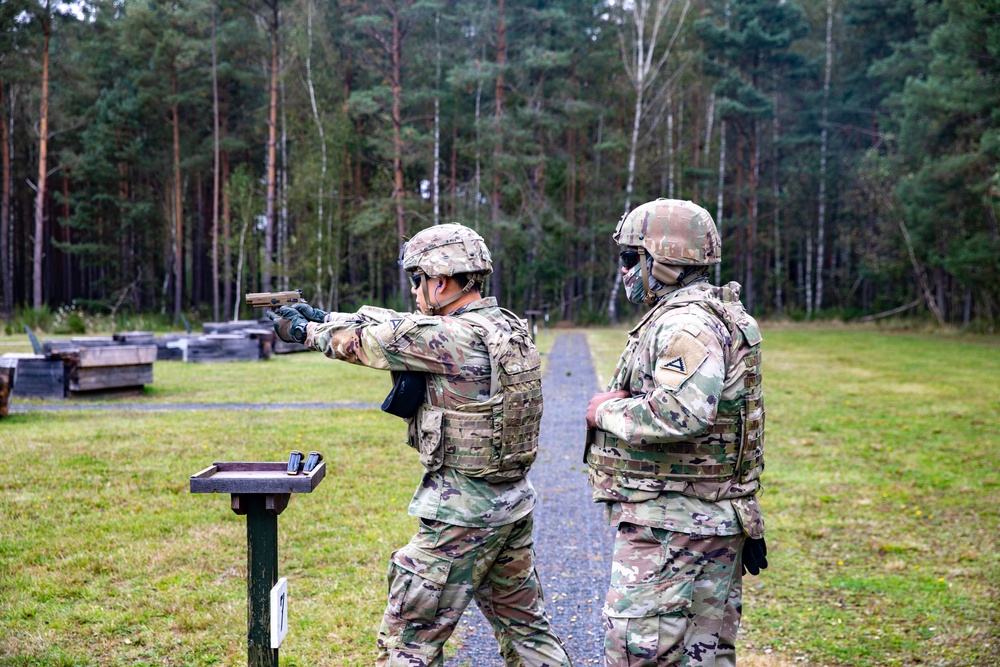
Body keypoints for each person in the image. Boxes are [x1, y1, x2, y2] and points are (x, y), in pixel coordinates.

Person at [269, 223, 572, 667]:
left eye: (417, 279)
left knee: (407, 643)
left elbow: (371, 341)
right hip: (509, 503)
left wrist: (304, 332)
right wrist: (324, 315)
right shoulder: (505, 325)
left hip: (461, 515)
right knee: (527, 633)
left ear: (442, 281)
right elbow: (402, 325)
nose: (413, 290)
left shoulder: (450, 337)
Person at [584, 199, 768, 667]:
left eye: (631, 258)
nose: (624, 271)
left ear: (663, 263)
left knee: (639, 655)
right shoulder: (711, 313)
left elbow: (682, 412)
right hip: (701, 520)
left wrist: (605, 412)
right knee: (701, 657)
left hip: (674, 526)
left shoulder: (685, 323)